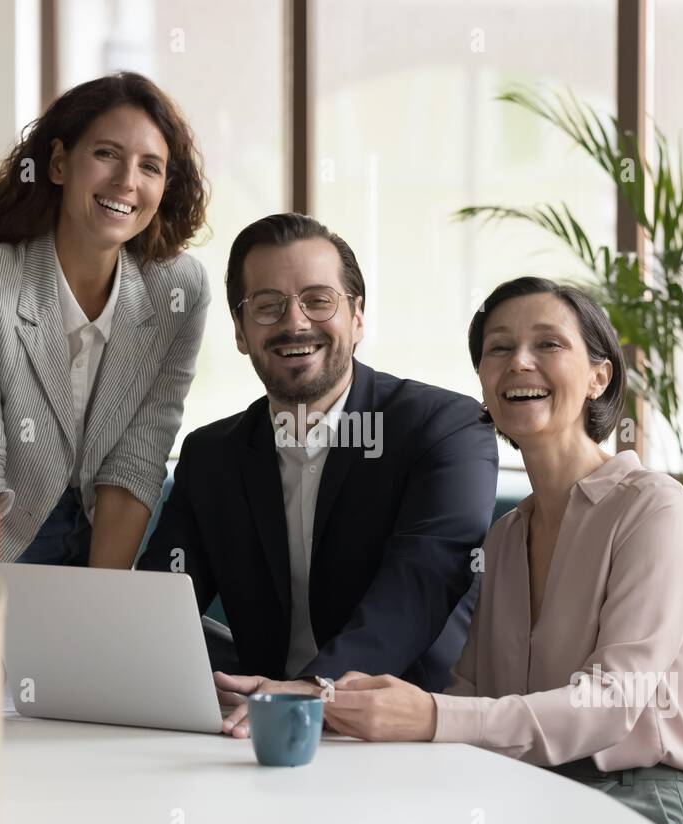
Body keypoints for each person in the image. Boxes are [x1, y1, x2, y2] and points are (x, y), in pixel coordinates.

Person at [323, 277, 683, 824]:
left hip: (643, 805)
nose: (520, 363)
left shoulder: (653, 507)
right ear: (484, 382)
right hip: (529, 793)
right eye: (500, 349)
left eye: (549, 344)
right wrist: (337, 704)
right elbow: (473, 691)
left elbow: (613, 702)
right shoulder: (507, 535)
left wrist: (431, 716)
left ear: (598, 377)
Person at [138, 213, 498, 737]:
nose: (295, 322)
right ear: (240, 332)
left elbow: (422, 579)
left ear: (356, 317)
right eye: (267, 306)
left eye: (318, 299)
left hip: (410, 733)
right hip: (267, 733)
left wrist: (317, 687)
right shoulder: (212, 455)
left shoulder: (442, 427)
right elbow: (163, 602)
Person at [0, 72, 210, 567]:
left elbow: (137, 459)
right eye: (106, 154)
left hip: (95, 541)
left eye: (149, 166)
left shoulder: (180, 291)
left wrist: (100, 609)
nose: (127, 181)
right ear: (61, 163)